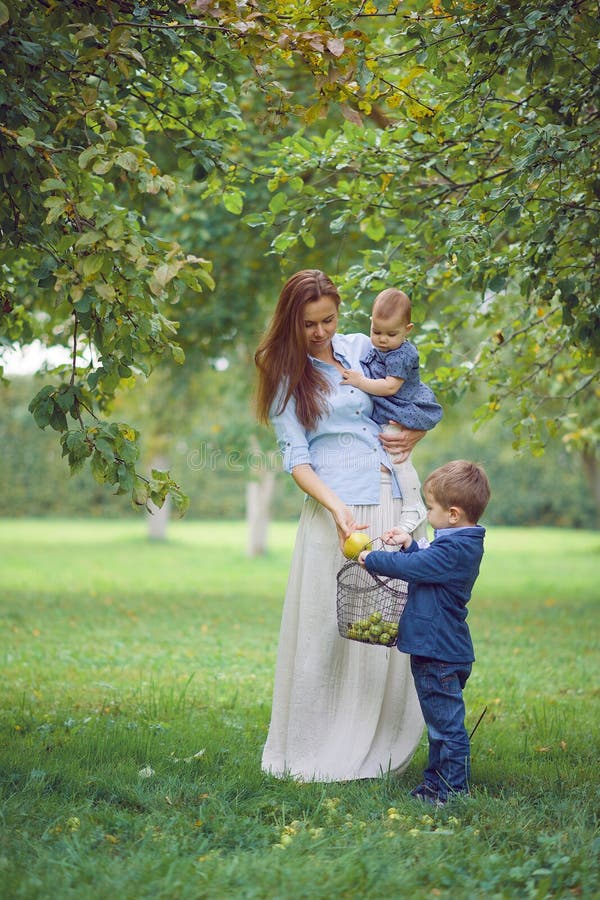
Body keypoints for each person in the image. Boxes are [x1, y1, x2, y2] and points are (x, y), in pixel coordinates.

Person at [254, 269, 434, 782]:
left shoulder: (364, 346)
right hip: (341, 511)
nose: (321, 333)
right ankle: (317, 745)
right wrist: (335, 508)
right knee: (330, 631)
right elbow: (297, 460)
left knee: (390, 626)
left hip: (393, 499)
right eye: (309, 324)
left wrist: (413, 435)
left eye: (328, 320)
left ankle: (380, 748)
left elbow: (411, 397)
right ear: (291, 322)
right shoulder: (285, 375)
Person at [358, 460, 491, 804]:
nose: (426, 514)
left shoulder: (456, 549)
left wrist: (371, 558)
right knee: (439, 727)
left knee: (447, 729)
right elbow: (426, 564)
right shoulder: (455, 544)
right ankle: (436, 783)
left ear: (453, 514)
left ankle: (452, 792)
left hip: (439, 655)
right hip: (442, 651)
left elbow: (416, 569)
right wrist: (408, 543)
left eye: (430, 508)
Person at [341, 288, 442, 533]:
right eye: (376, 332)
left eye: (391, 334)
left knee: (399, 458)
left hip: (401, 409)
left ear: (408, 330)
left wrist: (359, 381)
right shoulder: (381, 348)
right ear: (371, 323)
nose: (382, 339)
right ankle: (411, 504)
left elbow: (389, 386)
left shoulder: (402, 354)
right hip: (391, 408)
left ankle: (413, 505)